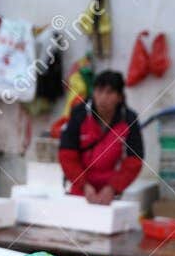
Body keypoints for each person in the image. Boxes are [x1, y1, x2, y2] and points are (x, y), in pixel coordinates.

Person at [58, 69, 145, 205]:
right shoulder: (79, 114)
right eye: (99, 91)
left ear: (120, 97)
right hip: (80, 190)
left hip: (111, 193)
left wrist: (113, 187)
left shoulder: (129, 119)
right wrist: (84, 185)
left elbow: (134, 161)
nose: (103, 97)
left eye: (109, 92)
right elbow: (67, 156)